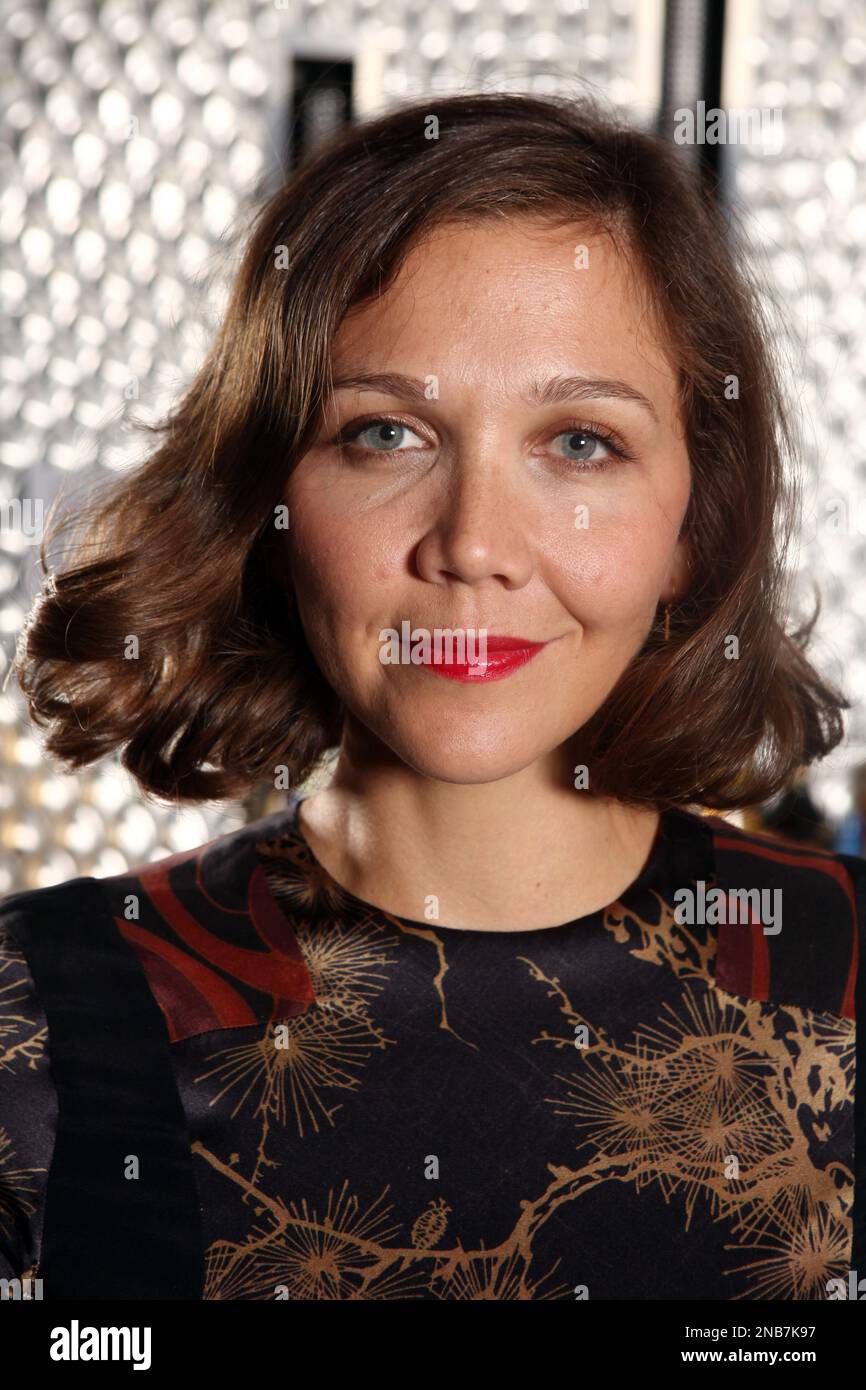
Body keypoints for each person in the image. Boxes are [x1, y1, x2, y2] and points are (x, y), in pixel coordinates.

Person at [1, 90, 863, 1302]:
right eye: (385, 435)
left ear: (692, 522)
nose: (471, 543)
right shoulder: (40, 1023)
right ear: (269, 498)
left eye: (578, 443)